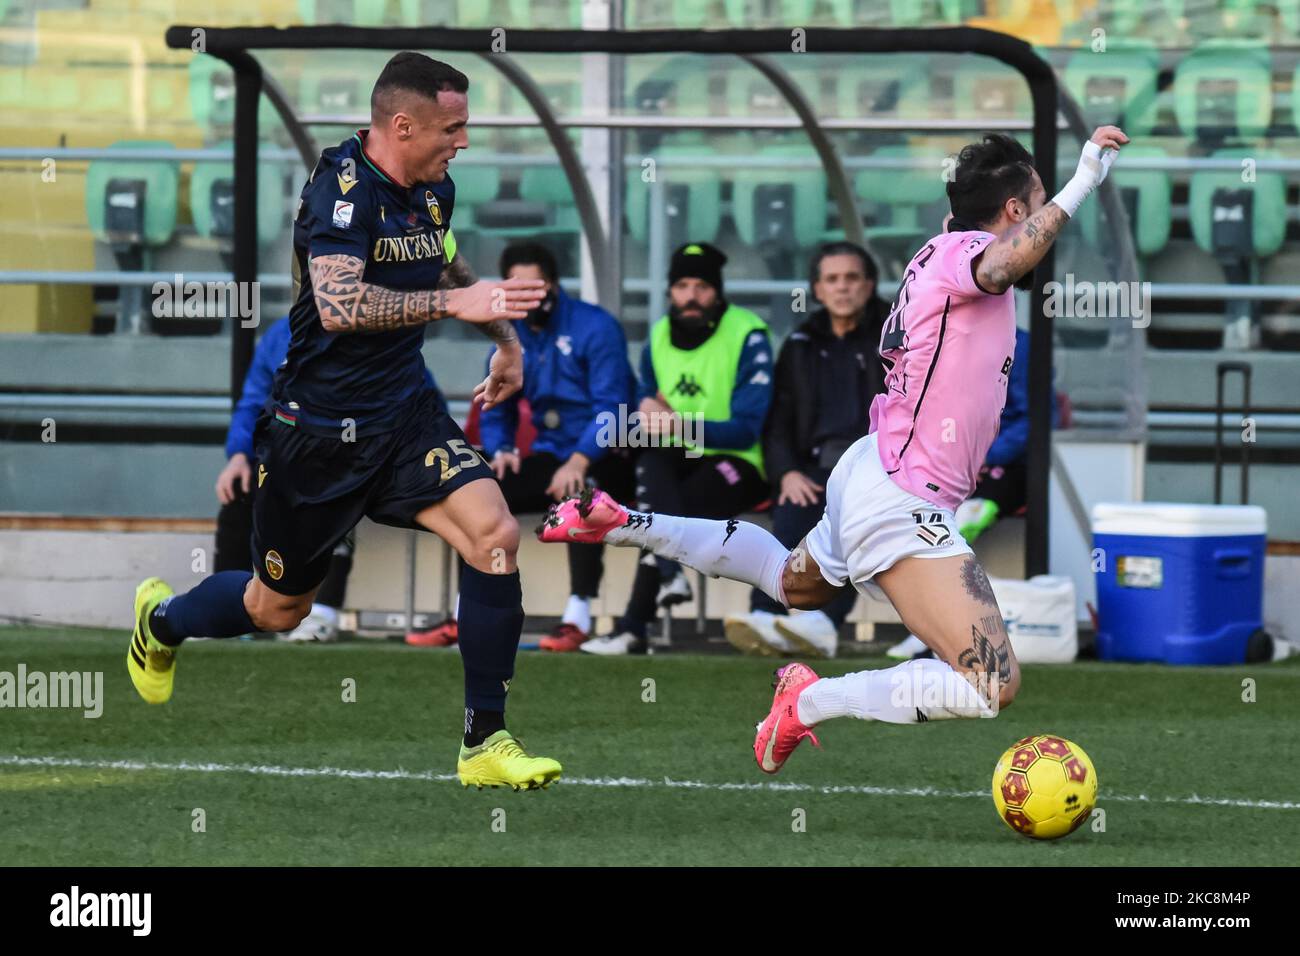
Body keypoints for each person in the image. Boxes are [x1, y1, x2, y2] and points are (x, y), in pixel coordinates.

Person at [541, 127, 1128, 774]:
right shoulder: (970, 252)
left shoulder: (943, 250)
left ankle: (627, 524)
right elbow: (997, 262)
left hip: (874, 467)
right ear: (1016, 212)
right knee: (992, 684)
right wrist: (1081, 185)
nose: (1048, 218)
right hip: (905, 494)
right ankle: (813, 699)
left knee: (792, 586)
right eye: (1038, 204)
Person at [126, 52, 562, 790]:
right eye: (452, 129)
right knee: (278, 609)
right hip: (318, 434)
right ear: (402, 124)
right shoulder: (340, 194)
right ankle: (162, 623)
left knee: (494, 534)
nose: (462, 143)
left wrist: (508, 346)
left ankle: (484, 741)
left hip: (404, 415)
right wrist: (452, 307)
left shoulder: (433, 190)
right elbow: (340, 305)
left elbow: (448, 263)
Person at [404, 241, 636, 652]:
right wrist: (502, 448)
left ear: (553, 284)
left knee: (579, 496)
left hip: (609, 454)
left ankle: (576, 618)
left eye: (535, 289)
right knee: (473, 494)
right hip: (551, 456)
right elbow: (495, 401)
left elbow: (613, 410)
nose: (528, 299)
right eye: (518, 290)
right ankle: (468, 615)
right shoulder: (510, 334)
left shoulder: (595, 327)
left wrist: (580, 459)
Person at [580, 242, 773, 655]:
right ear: (670, 291)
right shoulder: (658, 337)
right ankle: (663, 585)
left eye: (702, 286)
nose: (691, 295)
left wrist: (677, 423)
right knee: (651, 467)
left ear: (716, 292)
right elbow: (648, 411)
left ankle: (637, 622)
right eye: (682, 285)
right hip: (674, 460)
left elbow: (746, 430)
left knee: (667, 512)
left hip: (738, 464)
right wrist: (645, 413)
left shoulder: (748, 333)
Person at [215, 315, 445, 642]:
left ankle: (320, 615)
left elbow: (425, 401)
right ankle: (229, 612)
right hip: (288, 455)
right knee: (238, 491)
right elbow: (253, 402)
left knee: (336, 497)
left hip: (359, 460)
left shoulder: (383, 334)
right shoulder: (281, 335)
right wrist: (238, 454)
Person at [724, 241, 889, 660]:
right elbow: (778, 420)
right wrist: (785, 472)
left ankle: (823, 624)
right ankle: (766, 617)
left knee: (853, 521)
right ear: (816, 289)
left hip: (878, 465)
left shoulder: (894, 337)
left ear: (869, 285)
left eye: (852, 278)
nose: (843, 288)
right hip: (813, 467)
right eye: (831, 279)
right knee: (792, 512)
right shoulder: (799, 343)